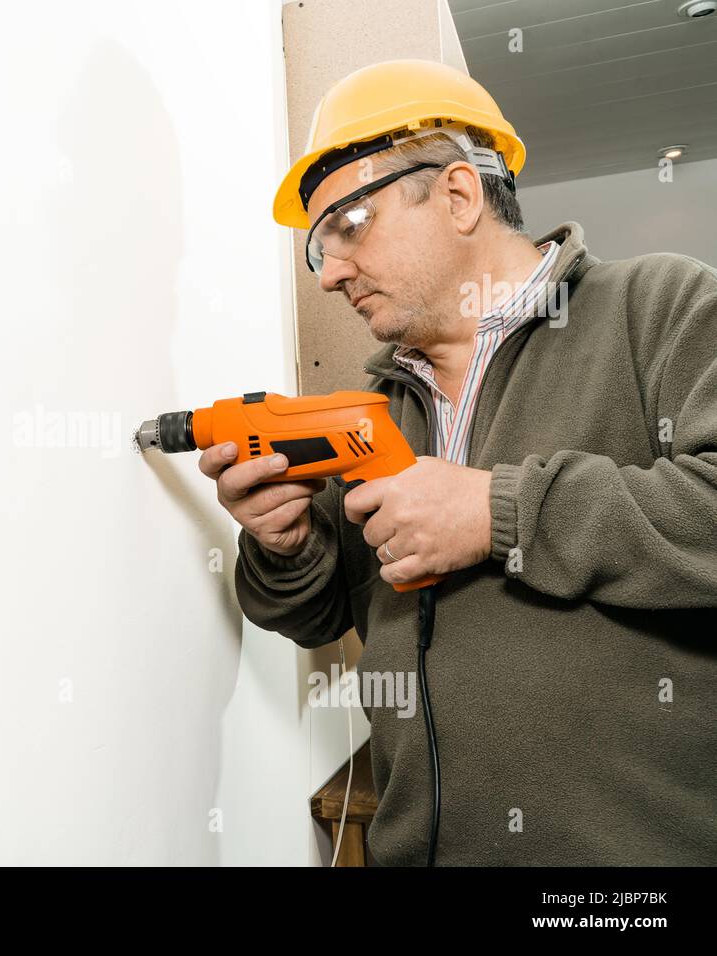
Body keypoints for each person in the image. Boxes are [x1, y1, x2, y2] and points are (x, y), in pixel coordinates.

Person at [208, 59, 717, 865]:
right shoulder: (378, 408)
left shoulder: (661, 307)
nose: (331, 272)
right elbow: (318, 616)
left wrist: (498, 513)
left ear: (457, 194)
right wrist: (287, 546)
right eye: (317, 250)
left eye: (347, 224)